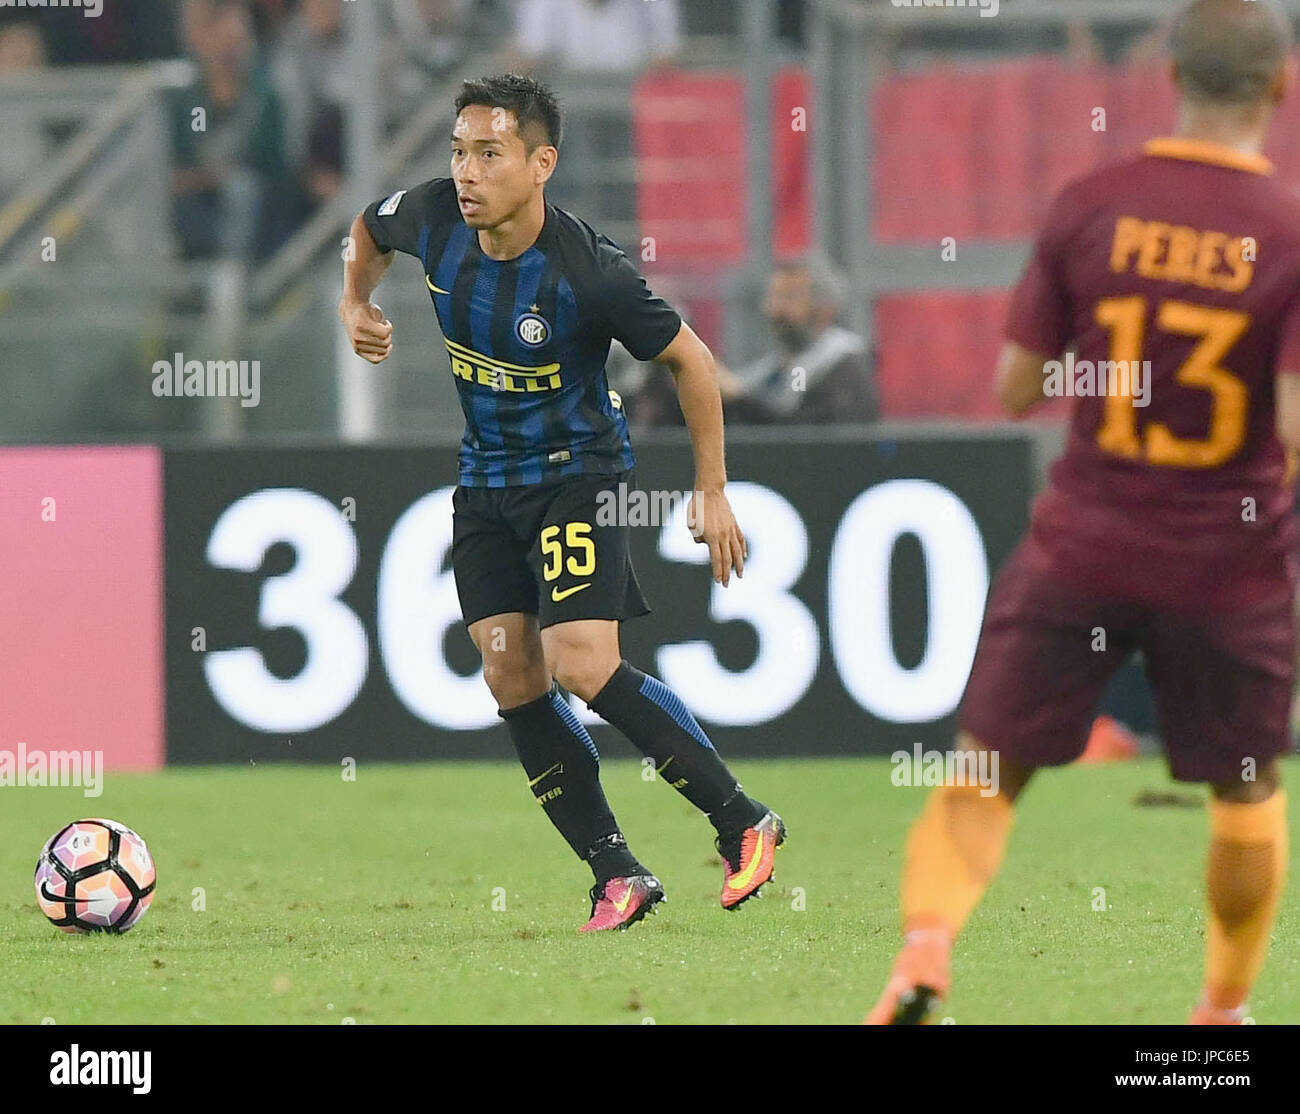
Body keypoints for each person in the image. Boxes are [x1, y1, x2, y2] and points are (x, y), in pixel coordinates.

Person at [868, 0, 1299, 1025]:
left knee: (984, 768)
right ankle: (1219, 1013)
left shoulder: (1092, 200)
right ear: (1279, 88)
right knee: (1243, 792)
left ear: (1169, 76)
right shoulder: (1286, 233)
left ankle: (923, 951)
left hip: (1085, 541)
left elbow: (1019, 386)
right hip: (1226, 563)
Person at [338, 73, 785, 932]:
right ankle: (616, 873)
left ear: (541, 164)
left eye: (490, 155)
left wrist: (713, 490)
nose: (466, 172)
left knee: (581, 662)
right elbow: (365, 229)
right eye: (460, 152)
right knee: (510, 671)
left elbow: (689, 361)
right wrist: (354, 300)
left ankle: (741, 820)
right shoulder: (431, 217)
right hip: (486, 483)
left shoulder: (589, 270)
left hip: (578, 475)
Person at [718, 252, 876, 425]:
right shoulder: (775, 369)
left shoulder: (844, 368)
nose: (774, 309)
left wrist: (739, 398)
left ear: (825, 310)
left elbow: (803, 435)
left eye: (788, 298)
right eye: (773, 297)